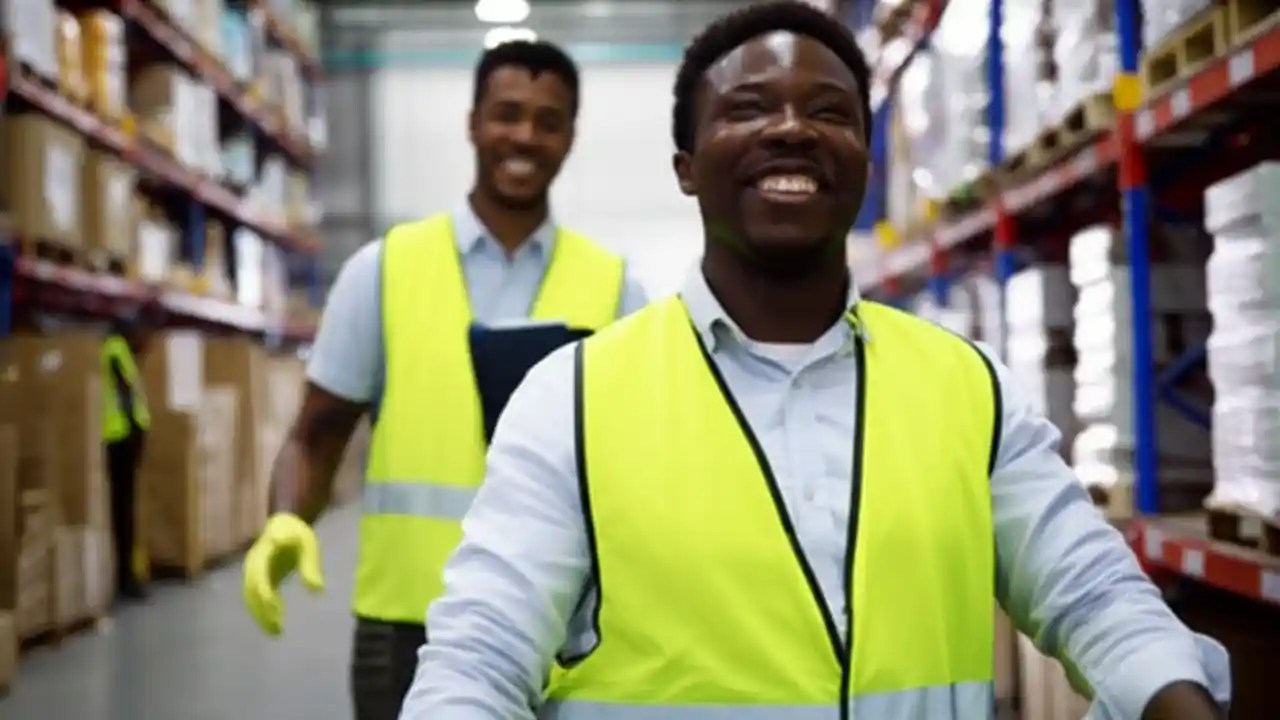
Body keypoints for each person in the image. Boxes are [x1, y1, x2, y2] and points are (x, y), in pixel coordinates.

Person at [398, 3, 1231, 719]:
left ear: (865, 165)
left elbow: (1097, 598)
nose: (791, 130)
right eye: (748, 109)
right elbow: (479, 661)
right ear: (687, 169)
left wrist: (1173, 692)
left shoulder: (966, 390)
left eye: (829, 112)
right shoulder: (571, 401)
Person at [240, 38, 648, 720]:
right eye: (507, 114)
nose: (524, 136)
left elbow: (640, 462)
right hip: (406, 623)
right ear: (472, 123)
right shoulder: (384, 270)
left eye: (548, 121)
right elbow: (318, 431)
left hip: (564, 626)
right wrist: (286, 519)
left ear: (570, 137)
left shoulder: (614, 288)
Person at [102, 314, 152, 601]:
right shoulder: (116, 351)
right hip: (121, 441)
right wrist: (137, 435)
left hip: (119, 439)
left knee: (124, 511)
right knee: (125, 513)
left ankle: (127, 575)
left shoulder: (115, 350)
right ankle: (127, 579)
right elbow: (127, 397)